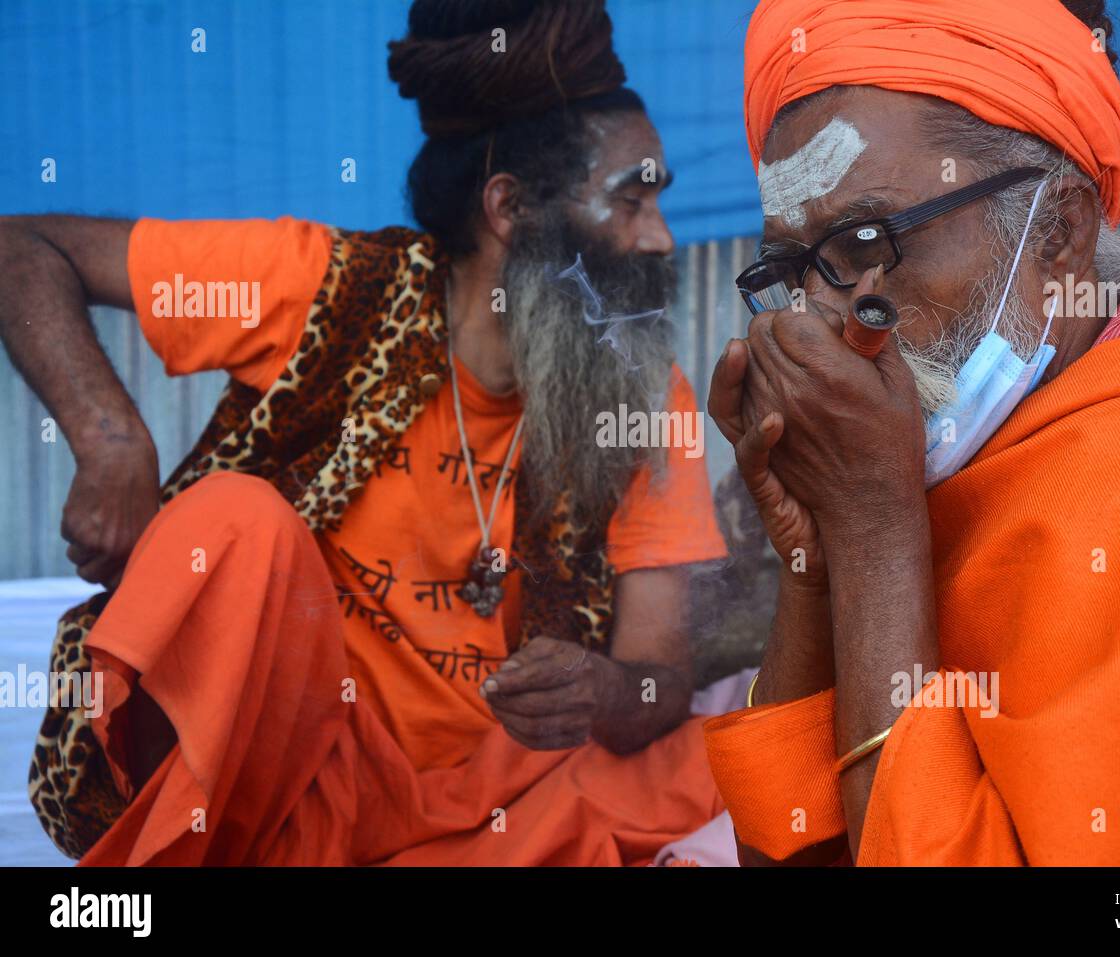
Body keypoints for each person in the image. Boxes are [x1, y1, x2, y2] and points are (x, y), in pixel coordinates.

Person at [2, 0, 729, 866]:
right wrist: (107, 435)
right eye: (631, 199)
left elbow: (660, 683)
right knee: (233, 522)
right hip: (290, 789)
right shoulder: (323, 284)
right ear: (510, 208)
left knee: (747, 747)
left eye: (660, 200)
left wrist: (605, 689)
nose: (659, 238)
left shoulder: (645, 395)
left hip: (496, 803)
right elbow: (26, 247)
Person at [703, 0, 1120, 866]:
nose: (818, 317)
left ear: (1058, 233)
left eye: (866, 242)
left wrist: (875, 532)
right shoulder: (936, 461)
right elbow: (786, 853)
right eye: (791, 270)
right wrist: (820, 564)